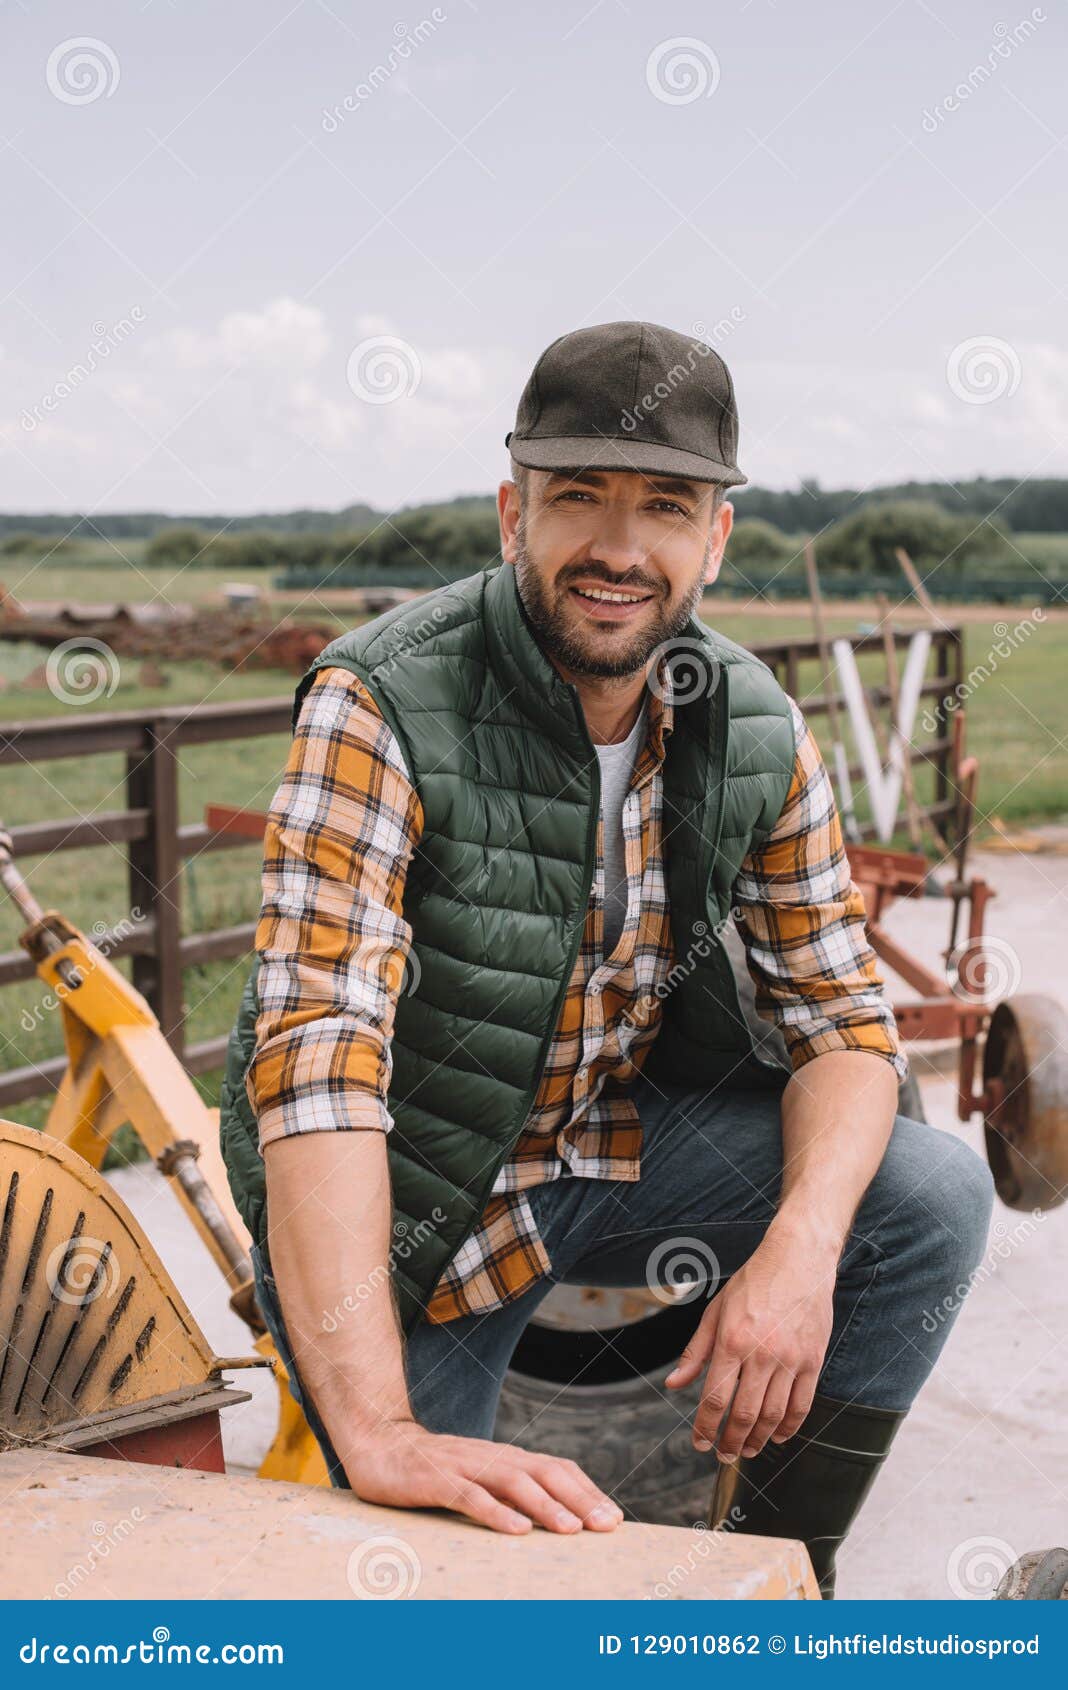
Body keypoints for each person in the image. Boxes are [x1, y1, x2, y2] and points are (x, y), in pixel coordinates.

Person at [219, 321, 994, 1597]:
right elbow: (317, 1065)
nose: (620, 548)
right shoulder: (381, 703)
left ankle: (768, 1585)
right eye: (579, 495)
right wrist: (376, 1430)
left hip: (616, 1147)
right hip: (430, 1210)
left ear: (716, 540)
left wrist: (798, 1256)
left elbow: (846, 1020)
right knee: (435, 1582)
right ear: (513, 511)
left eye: (667, 506)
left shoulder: (752, 724)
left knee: (928, 1199)